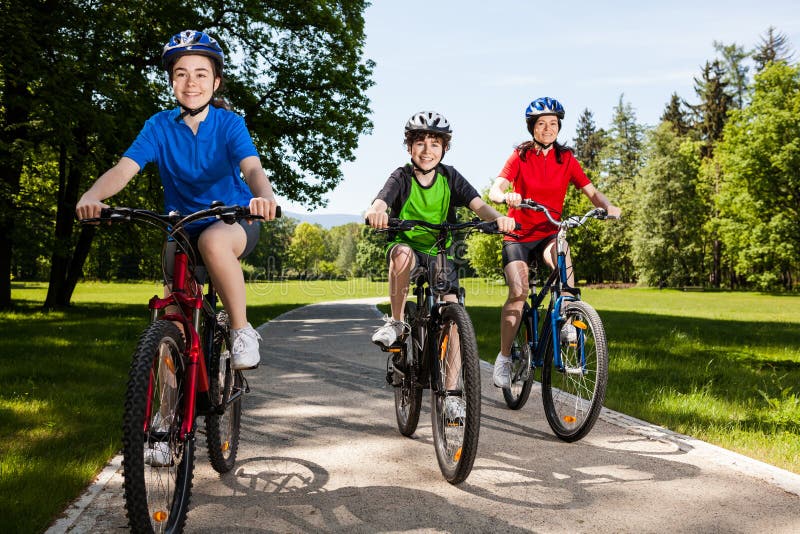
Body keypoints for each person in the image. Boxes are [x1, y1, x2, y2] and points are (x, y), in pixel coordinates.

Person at [76, 30, 279, 373]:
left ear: (216, 82)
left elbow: (252, 168)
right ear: (171, 81)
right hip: (182, 226)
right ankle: (167, 398)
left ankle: (241, 329)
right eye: (181, 74)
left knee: (213, 242)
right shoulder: (158, 126)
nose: (190, 83)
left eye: (201, 74)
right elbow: (123, 170)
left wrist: (264, 198)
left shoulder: (229, 124)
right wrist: (92, 196)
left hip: (233, 220)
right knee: (173, 319)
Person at [365, 111, 516, 419]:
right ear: (409, 147)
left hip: (439, 252)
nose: (427, 150)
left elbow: (479, 206)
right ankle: (396, 323)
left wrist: (499, 218)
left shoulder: (450, 177)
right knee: (402, 254)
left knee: (454, 312)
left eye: (435, 144)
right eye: (420, 143)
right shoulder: (401, 176)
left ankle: (450, 394)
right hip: (408, 246)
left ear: (444, 148)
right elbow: (381, 202)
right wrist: (375, 212)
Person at [487, 97, 621, 389]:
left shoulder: (566, 159)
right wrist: (505, 196)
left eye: (553, 123)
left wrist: (608, 206)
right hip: (518, 235)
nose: (548, 128)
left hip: (549, 232)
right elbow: (496, 188)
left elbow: (592, 192)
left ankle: (568, 320)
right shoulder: (520, 156)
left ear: (559, 126)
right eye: (541, 124)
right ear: (532, 128)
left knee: (564, 260)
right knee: (519, 292)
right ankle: (505, 357)